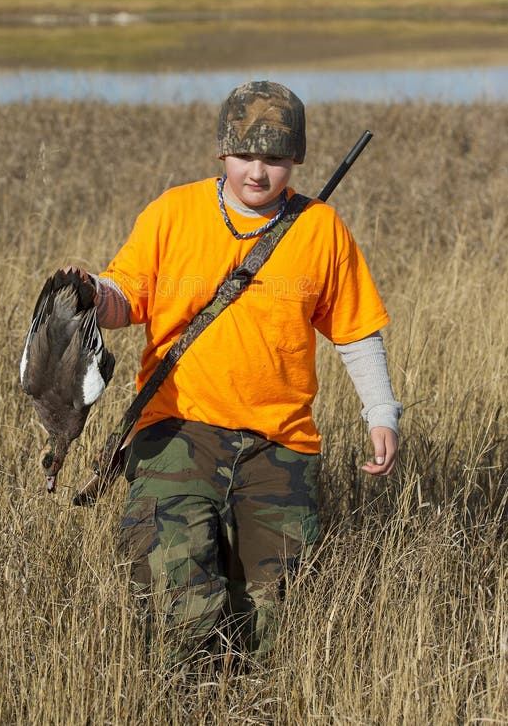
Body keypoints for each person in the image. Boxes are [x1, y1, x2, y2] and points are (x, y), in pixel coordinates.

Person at [74, 80, 401, 662]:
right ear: (222, 150)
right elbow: (126, 298)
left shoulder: (320, 229)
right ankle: (185, 702)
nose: (258, 171)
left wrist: (381, 411)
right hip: (178, 430)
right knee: (181, 602)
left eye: (275, 158)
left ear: (295, 159)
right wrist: (90, 293)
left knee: (276, 619)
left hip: (281, 444)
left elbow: (355, 332)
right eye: (246, 154)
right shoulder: (172, 213)